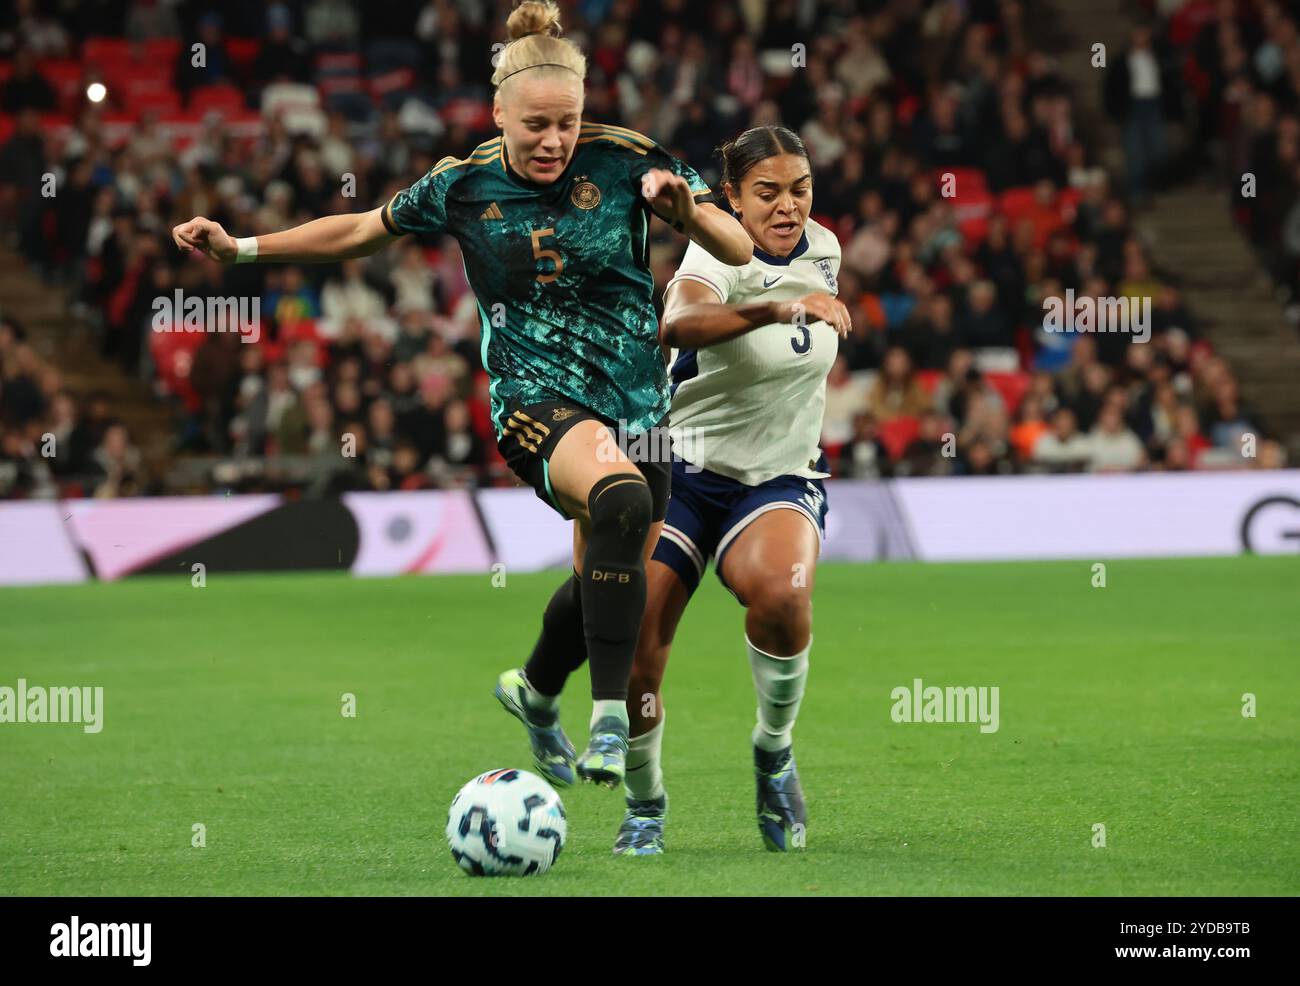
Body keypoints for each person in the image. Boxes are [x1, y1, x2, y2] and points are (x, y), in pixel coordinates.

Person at [171, 0, 751, 790]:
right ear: (499, 114)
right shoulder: (461, 184)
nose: (553, 142)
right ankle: (607, 726)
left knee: (605, 579)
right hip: (533, 399)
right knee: (619, 503)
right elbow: (356, 231)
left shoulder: (625, 158)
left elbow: (739, 243)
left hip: (638, 404)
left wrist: (687, 213)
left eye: (567, 124)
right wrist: (239, 249)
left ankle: (536, 693)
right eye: (536, 125)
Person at [617, 125, 851, 854]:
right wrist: (779, 308)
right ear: (732, 200)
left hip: (780, 472)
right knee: (639, 637)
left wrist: (800, 300)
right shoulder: (709, 255)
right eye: (768, 193)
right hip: (681, 468)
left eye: (801, 188)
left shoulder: (826, 249)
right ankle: (645, 802)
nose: (789, 206)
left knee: (783, 596)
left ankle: (773, 751)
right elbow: (677, 323)